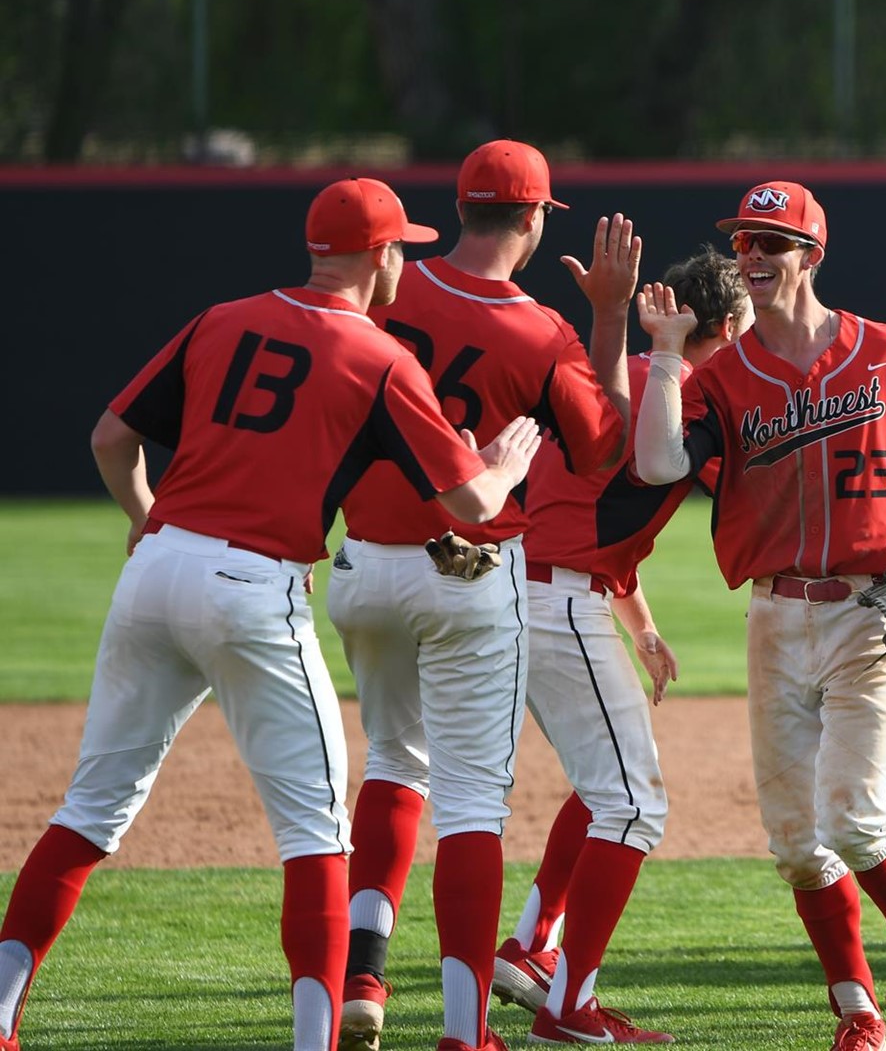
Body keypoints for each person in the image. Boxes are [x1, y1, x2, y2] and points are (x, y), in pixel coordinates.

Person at [0, 178, 541, 1051]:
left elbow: (110, 437)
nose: (403, 262)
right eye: (399, 247)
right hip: (252, 588)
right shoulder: (378, 356)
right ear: (378, 255)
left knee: (89, 812)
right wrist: (508, 465)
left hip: (155, 572)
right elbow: (472, 504)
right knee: (318, 837)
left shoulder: (222, 318)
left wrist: (145, 517)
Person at [633, 182, 886, 1051]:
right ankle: (857, 1011)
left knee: (855, 821)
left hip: (873, 611)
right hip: (776, 614)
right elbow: (659, 464)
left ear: (811, 256)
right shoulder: (722, 376)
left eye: (772, 243)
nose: (753, 256)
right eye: (745, 242)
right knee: (795, 844)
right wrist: (669, 355)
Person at [329, 141, 634, 1051]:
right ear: (534, 219)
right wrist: (608, 318)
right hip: (467, 570)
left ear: (459, 209)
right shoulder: (541, 331)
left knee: (393, 764)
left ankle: (364, 973)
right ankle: (465, 1035)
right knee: (469, 805)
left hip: (363, 563)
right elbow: (604, 451)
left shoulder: (385, 290)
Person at [489, 248, 750, 1046]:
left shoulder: (622, 377)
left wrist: (641, 627)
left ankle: (533, 947)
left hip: (528, 588)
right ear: (727, 328)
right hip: (556, 600)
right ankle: (569, 1004)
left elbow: (590, 507)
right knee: (634, 804)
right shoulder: (686, 390)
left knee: (604, 787)